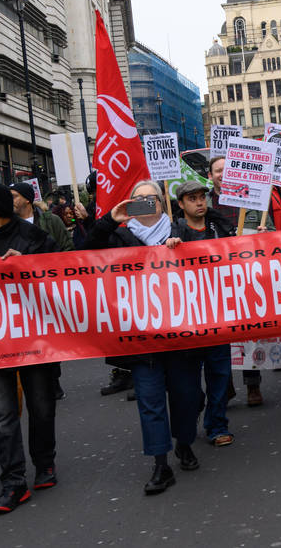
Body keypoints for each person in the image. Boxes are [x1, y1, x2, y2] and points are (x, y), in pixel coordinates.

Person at [85, 181, 204, 495]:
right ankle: (160, 465)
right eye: (137, 199)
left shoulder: (181, 229)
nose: (145, 203)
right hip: (140, 335)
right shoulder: (119, 235)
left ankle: (184, 443)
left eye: (151, 198)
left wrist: (185, 248)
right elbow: (85, 250)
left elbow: (208, 260)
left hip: (180, 332)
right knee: (150, 402)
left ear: (162, 203)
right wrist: (112, 218)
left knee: (187, 396)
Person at [0, 181, 59, 513]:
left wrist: (29, 264)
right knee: (3, 415)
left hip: (35, 339)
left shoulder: (33, 238)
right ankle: (13, 483)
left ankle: (45, 463)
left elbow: (61, 275)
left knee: (41, 406)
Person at [171, 180, 236, 446]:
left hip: (219, 312)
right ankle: (196, 406)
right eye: (192, 198)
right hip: (188, 317)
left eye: (202, 197)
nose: (199, 203)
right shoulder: (174, 232)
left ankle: (217, 426)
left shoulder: (219, 227)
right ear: (181, 204)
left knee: (220, 374)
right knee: (190, 382)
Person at [207, 155, 270, 407]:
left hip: (244, 272)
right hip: (215, 276)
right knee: (220, 332)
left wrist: (266, 233)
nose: (223, 174)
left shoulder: (249, 199)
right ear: (210, 176)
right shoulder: (204, 202)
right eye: (217, 171)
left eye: (226, 169)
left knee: (247, 330)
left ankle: (252, 384)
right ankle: (227, 385)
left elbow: (267, 230)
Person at [10, 182, 70, 400]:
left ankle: (52, 377)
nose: (11, 200)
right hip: (22, 294)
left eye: (14, 196)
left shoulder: (50, 221)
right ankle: (38, 382)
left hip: (47, 289)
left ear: (26, 199)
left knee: (51, 337)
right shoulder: (9, 225)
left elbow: (66, 249)